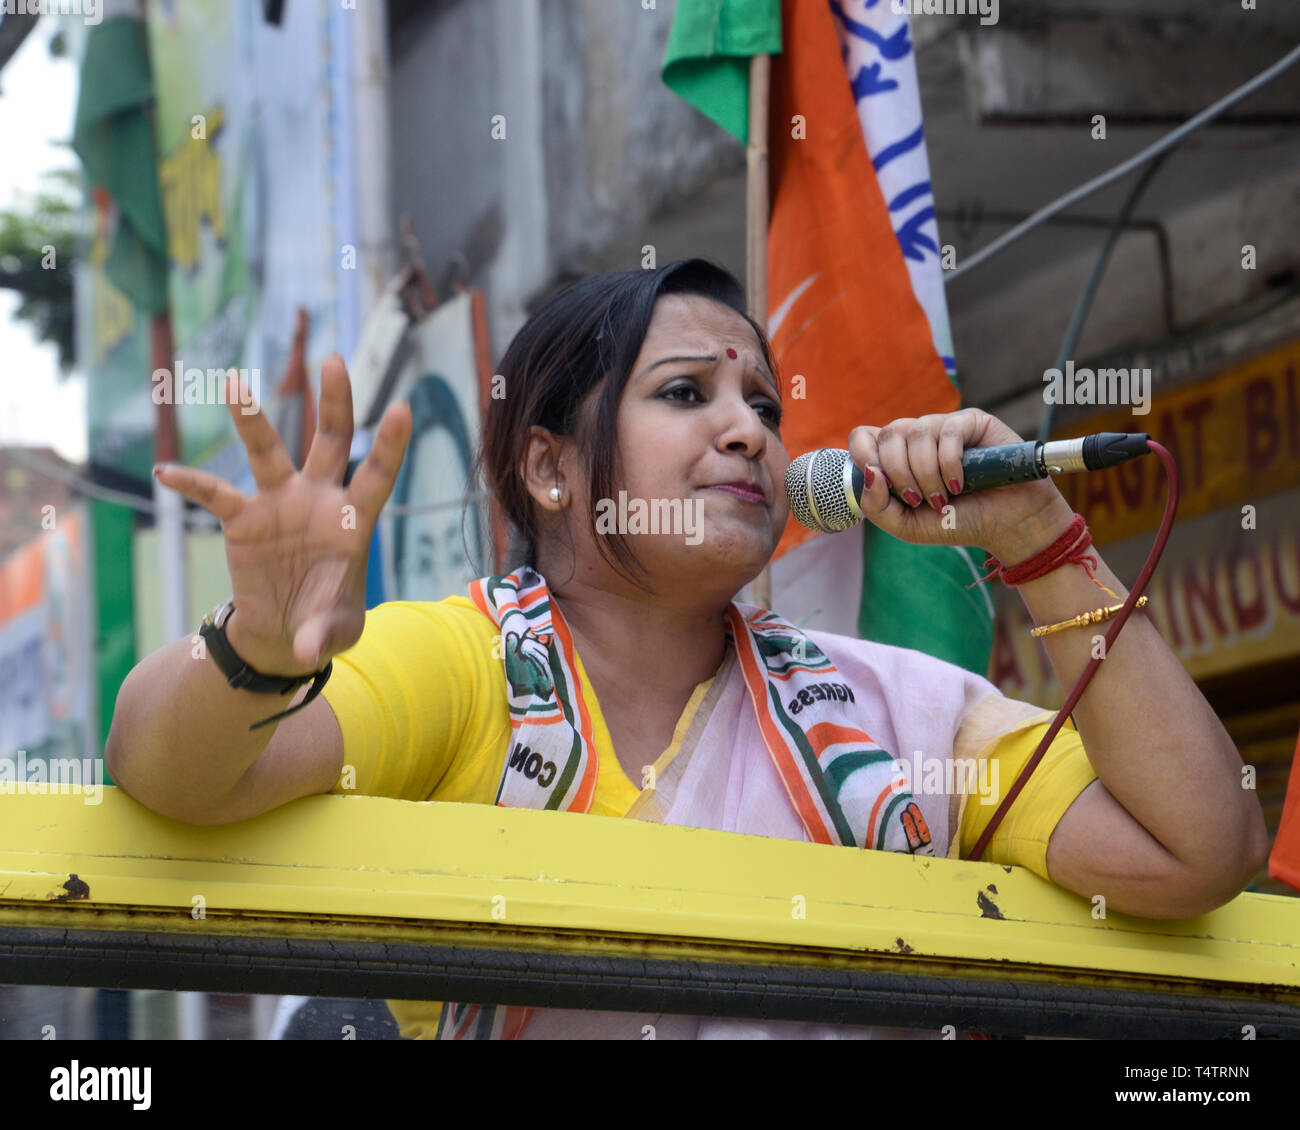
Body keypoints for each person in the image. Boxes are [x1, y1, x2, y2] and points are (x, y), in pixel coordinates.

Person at [106, 258, 1269, 1040]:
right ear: (551, 467)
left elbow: (1196, 849)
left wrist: (1036, 535)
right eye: (686, 391)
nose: (747, 430)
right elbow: (163, 769)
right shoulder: (468, 670)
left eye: (763, 404)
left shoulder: (883, 708)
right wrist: (259, 645)